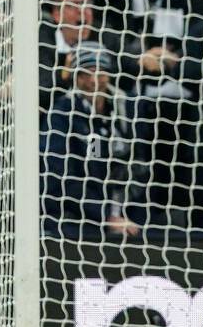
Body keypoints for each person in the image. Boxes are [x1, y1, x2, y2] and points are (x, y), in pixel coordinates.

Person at [41, 42, 145, 239]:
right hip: (73, 216)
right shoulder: (61, 114)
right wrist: (106, 216)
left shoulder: (129, 108)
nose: (94, 80)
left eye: (100, 72)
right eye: (86, 73)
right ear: (75, 77)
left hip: (126, 207)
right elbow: (61, 177)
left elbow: (141, 165)